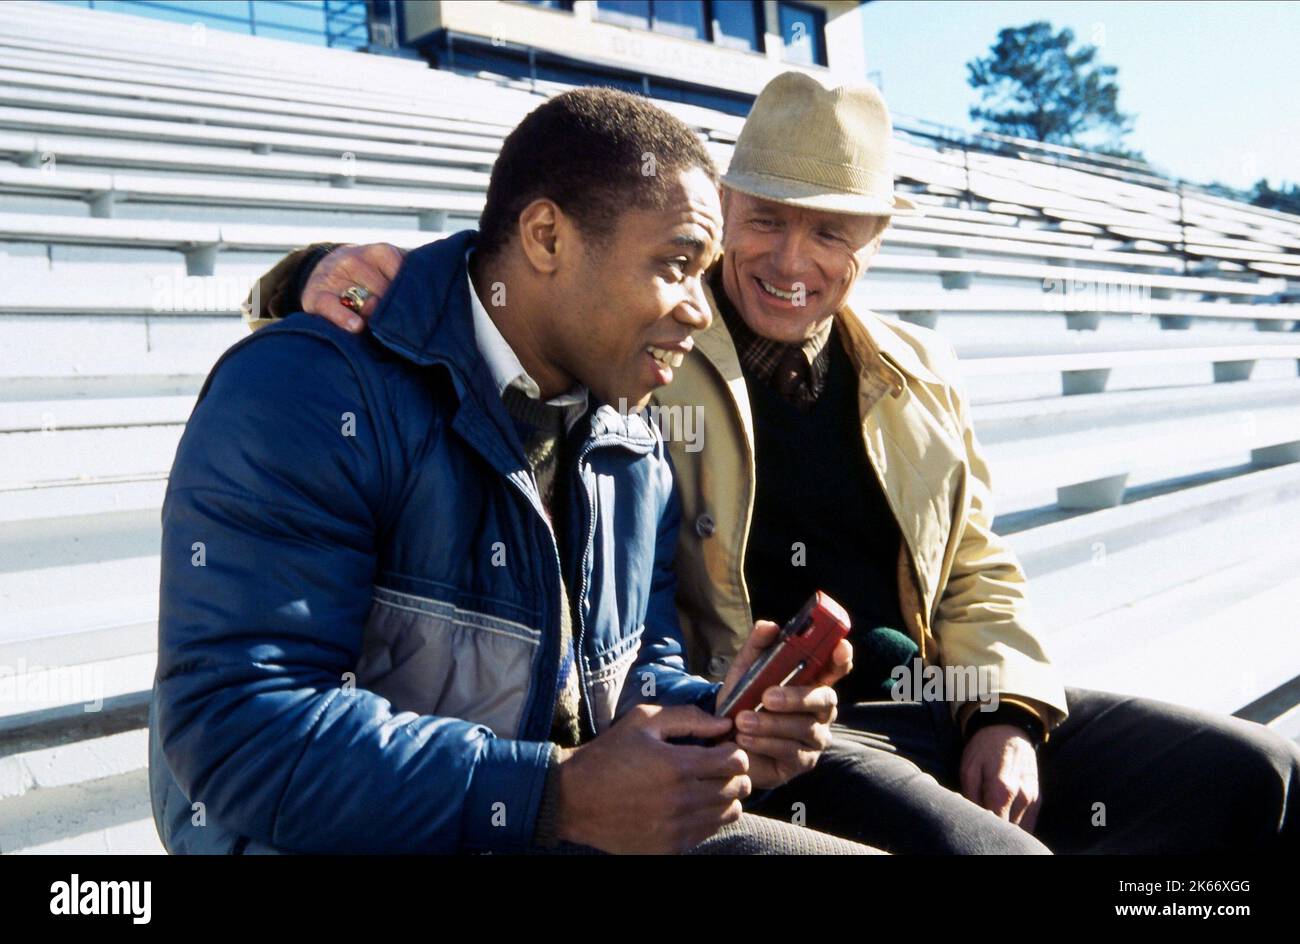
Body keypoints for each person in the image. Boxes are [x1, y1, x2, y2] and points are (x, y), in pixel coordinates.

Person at [243, 72, 1300, 854]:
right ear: (720, 215)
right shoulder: (643, 341)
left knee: (1254, 774)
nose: (791, 262)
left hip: (932, 692)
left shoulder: (913, 370)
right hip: (763, 725)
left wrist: (1005, 712)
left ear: (870, 242)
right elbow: (488, 278)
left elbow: (979, 565)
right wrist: (308, 276)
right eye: (766, 221)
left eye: (830, 232)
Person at [148, 86, 884, 855]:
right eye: (676, 265)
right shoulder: (306, 389)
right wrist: (548, 795)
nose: (701, 312)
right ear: (545, 237)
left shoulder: (632, 439)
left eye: (705, 272)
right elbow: (238, 725)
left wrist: (725, 717)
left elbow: (633, 675)